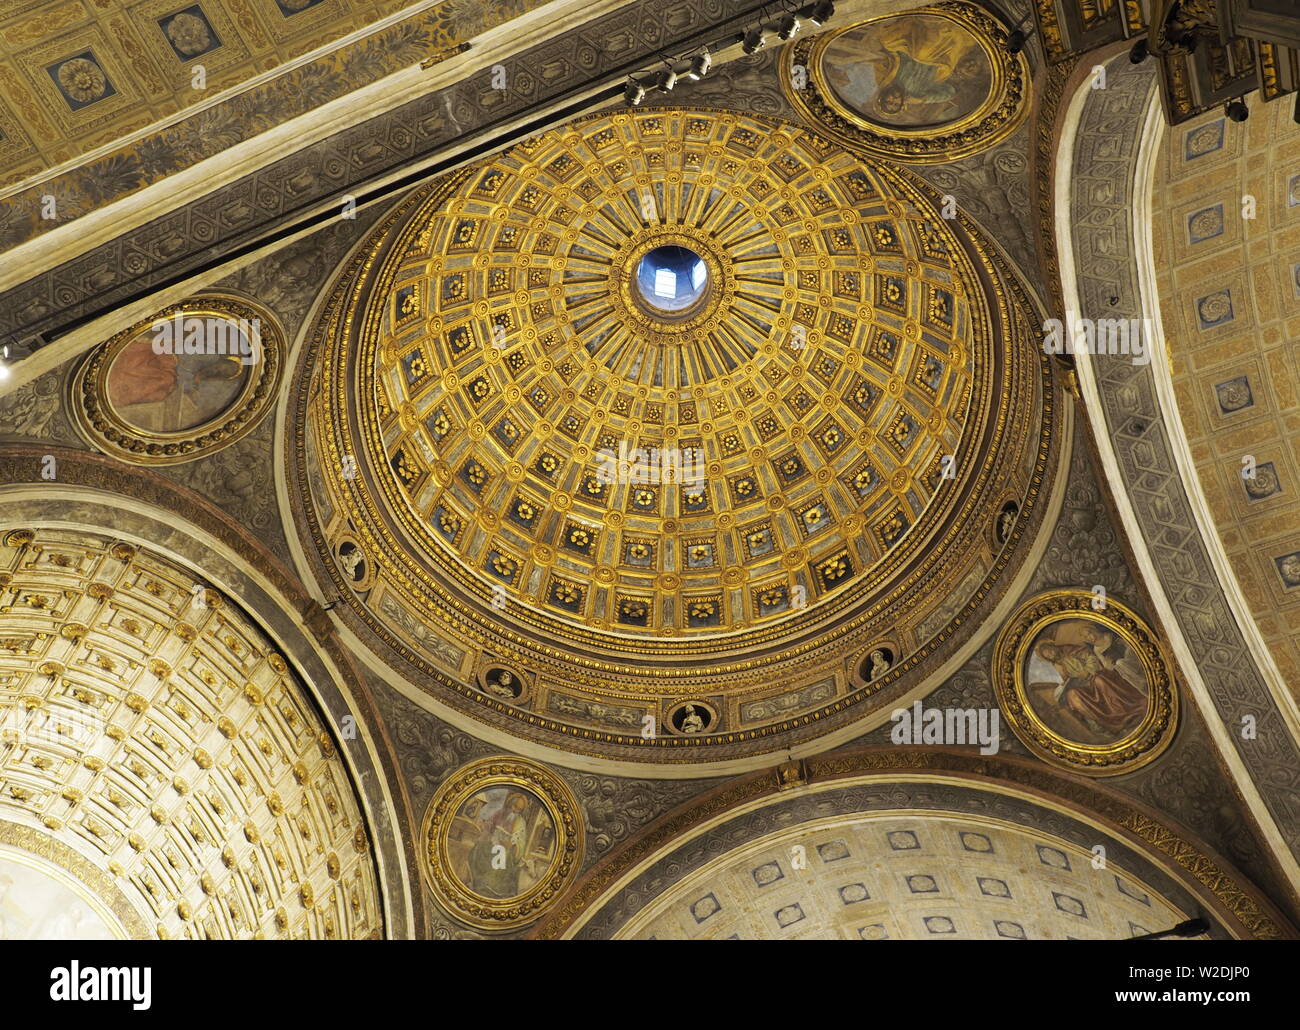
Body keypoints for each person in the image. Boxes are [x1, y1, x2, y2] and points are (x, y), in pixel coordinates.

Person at [1035, 638, 1146, 736]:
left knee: (1100, 681)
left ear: (1052, 646)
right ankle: (1107, 725)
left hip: (1095, 674)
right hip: (1083, 684)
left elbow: (1091, 658)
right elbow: (1067, 678)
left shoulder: (1071, 649)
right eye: (1048, 655)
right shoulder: (1057, 664)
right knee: (1072, 695)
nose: (1051, 654)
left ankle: (1126, 714)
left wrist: (1087, 672)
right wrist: (1066, 683)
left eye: (1049, 650)